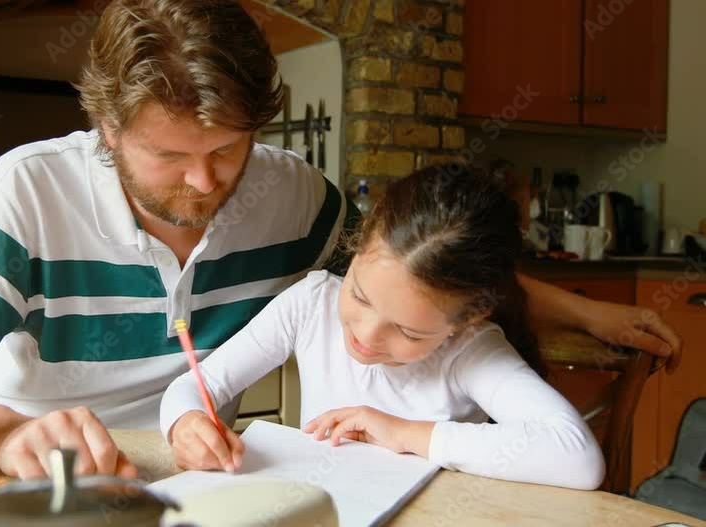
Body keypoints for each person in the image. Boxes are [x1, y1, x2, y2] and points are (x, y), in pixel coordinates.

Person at [0, 0, 680, 481]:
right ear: (106, 124)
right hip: (55, 479)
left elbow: (422, 273)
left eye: (227, 149)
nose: (204, 182)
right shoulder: (23, 196)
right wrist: (3, 433)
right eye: (169, 155)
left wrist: (588, 311)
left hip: (215, 477)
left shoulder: (290, 193)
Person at [161, 165, 606, 490]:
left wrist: (405, 433)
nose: (367, 336)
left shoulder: (470, 351)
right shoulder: (310, 303)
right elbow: (197, 385)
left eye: (408, 332)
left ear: (467, 319)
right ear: (356, 249)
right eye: (359, 295)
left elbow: (577, 457)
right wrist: (186, 422)